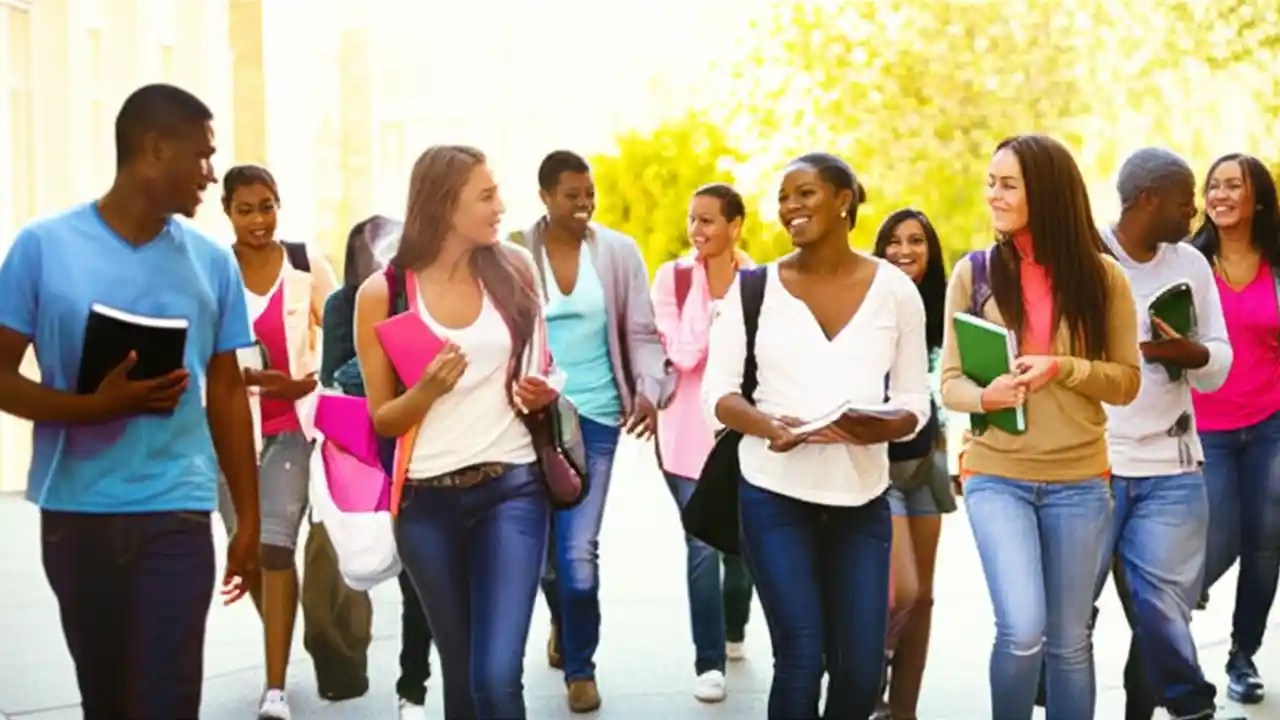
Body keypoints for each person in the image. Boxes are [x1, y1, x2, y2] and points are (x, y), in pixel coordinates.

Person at [0, 83, 260, 719]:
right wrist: (97, 407)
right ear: (154, 149)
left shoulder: (211, 263)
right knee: (108, 702)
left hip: (177, 511)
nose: (210, 174)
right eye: (201, 156)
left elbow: (225, 390)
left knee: (169, 702)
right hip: (76, 516)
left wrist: (248, 518)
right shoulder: (42, 247)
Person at [702, 152, 931, 718]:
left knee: (859, 672)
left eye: (804, 193)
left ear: (844, 200)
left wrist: (874, 425)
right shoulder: (753, 289)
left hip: (861, 497)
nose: (790, 208)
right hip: (773, 491)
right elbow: (720, 394)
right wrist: (769, 426)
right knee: (802, 656)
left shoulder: (896, 291)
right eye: (783, 198)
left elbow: (913, 402)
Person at [939, 134, 1141, 719]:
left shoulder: (1104, 280)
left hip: (1081, 480)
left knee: (1069, 642)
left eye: (1008, 184)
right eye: (991, 182)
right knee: (1023, 629)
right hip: (995, 475)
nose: (993, 195)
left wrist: (1063, 368)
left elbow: (1126, 382)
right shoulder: (972, 274)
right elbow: (949, 383)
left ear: (1045, 192)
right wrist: (987, 394)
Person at [354, 144, 559, 720]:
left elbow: (543, 366)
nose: (500, 206)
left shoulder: (514, 269)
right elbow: (382, 419)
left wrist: (541, 390)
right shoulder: (385, 294)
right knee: (462, 678)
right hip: (425, 505)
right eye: (486, 195)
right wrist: (426, 390)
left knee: (496, 678)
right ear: (445, 205)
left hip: (512, 491)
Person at [510, 149, 671, 713]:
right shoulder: (512, 252)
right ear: (545, 196)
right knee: (543, 557)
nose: (583, 205)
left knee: (578, 549)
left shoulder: (618, 253)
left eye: (589, 194)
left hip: (596, 418)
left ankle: (581, 667)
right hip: (528, 420)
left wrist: (649, 393)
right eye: (571, 195)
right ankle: (563, 618)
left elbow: (644, 331)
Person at [1096, 147, 1239, 720]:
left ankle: (1186, 708)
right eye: (1186, 203)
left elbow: (1220, 360)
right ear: (1147, 199)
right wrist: (1143, 352)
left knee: (1160, 608)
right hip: (1095, 465)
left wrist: (1191, 353)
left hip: (1173, 466)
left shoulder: (1191, 264)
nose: (1195, 215)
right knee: (1074, 615)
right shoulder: (1086, 258)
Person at [215, 164, 336, 720]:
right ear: (227, 213)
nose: (259, 220)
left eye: (267, 206)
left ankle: (275, 688)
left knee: (274, 545)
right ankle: (283, 638)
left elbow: (341, 347)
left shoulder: (306, 267)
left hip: (291, 428)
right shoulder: (213, 272)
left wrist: (302, 383)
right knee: (247, 548)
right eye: (246, 209)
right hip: (229, 434)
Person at [317, 214, 436, 719]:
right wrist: (385, 354)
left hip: (425, 455)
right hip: (370, 455)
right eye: (375, 253)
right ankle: (347, 671)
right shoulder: (344, 304)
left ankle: (413, 687)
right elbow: (336, 379)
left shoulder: (427, 299)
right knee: (357, 568)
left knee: (420, 584)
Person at [651, 182, 757, 703]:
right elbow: (686, 356)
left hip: (739, 435)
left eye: (709, 220)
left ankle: (735, 627)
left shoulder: (760, 282)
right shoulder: (671, 281)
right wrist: (707, 293)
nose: (697, 231)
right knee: (700, 544)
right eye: (692, 220)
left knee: (741, 550)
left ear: (735, 225)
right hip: (684, 435)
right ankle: (707, 661)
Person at [1190, 152, 1280, 705]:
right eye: (1213, 186)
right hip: (1208, 428)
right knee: (1218, 537)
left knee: (1267, 544)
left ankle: (1242, 655)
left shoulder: (1276, 266)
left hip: (1271, 422)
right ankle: (1167, 612)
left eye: (1233, 186)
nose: (1220, 195)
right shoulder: (1190, 262)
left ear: (1258, 200)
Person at [871, 208, 954, 719]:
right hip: (880, 466)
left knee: (923, 600)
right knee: (903, 590)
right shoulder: (869, 304)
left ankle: (903, 710)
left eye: (916, 240)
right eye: (894, 242)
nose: (904, 250)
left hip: (929, 460)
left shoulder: (947, 309)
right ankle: (863, 667)